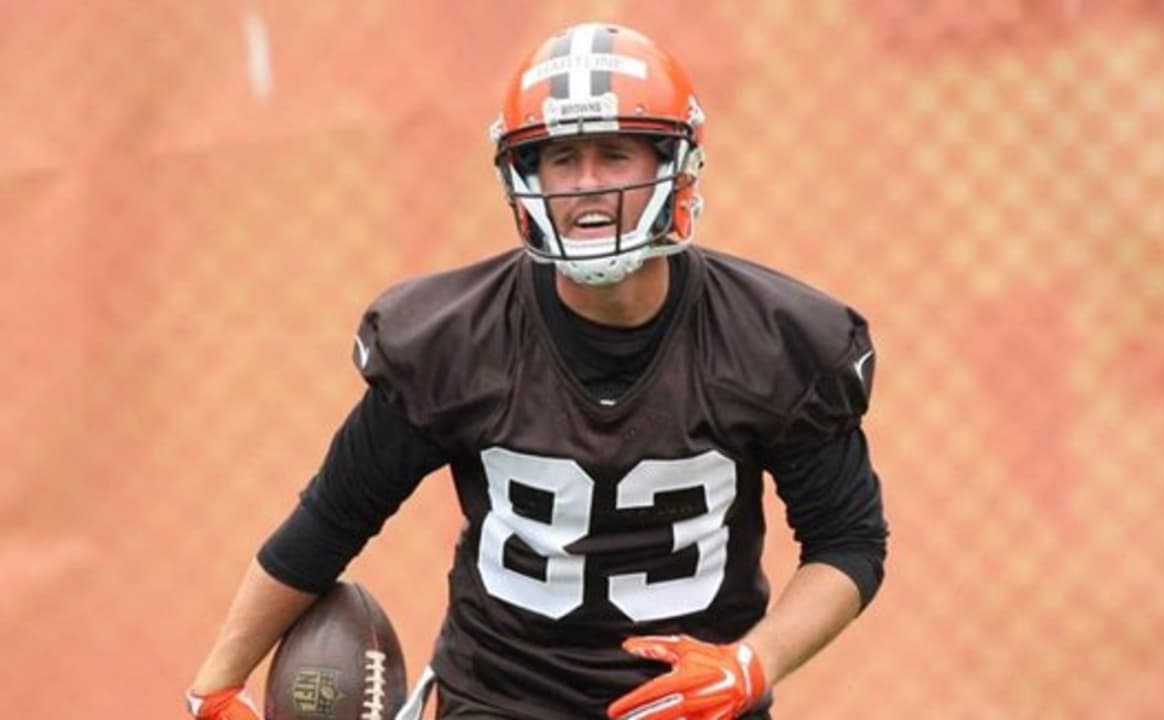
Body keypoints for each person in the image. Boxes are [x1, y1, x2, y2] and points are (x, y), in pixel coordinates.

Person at [188, 21, 888, 720]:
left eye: (614, 155)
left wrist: (750, 663)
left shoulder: (768, 340)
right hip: (499, 700)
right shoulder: (458, 341)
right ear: (524, 177)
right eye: (561, 160)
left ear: (673, 166)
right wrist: (215, 687)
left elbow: (848, 541)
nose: (586, 184)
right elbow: (334, 517)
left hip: (692, 710)